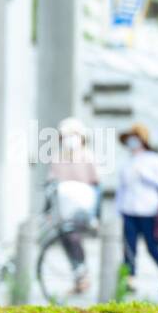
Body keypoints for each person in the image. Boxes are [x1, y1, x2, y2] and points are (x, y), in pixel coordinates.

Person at [116, 123, 158, 296]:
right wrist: (117, 208)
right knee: (129, 246)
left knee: (151, 246)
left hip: (148, 210)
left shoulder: (154, 159)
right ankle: (130, 280)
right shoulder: (127, 161)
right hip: (129, 210)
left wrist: (144, 173)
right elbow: (122, 188)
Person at [47, 116, 100, 295]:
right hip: (64, 208)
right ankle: (79, 275)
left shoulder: (87, 157)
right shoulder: (57, 158)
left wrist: (96, 215)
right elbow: (51, 186)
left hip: (82, 208)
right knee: (65, 239)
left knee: (74, 237)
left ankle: (82, 274)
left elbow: (96, 186)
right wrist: (47, 210)